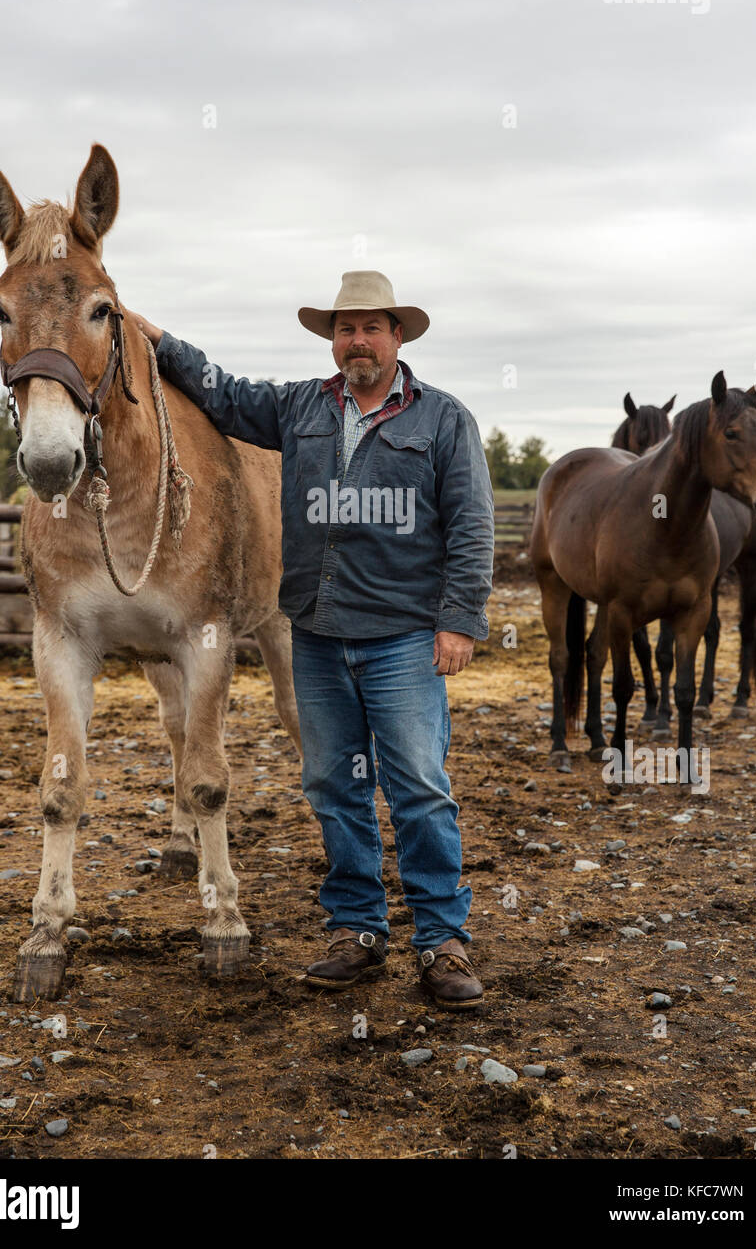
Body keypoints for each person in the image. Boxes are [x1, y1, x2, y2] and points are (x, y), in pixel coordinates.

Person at [126, 270, 494, 1009]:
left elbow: (472, 527)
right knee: (334, 786)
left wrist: (459, 620)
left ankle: (441, 940)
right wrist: (150, 335)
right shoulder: (300, 408)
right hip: (319, 636)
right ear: (333, 340)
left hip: (402, 640)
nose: (356, 342)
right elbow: (222, 392)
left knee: (419, 789)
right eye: (344, 329)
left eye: (371, 328)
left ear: (398, 336)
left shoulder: (443, 421)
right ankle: (356, 930)